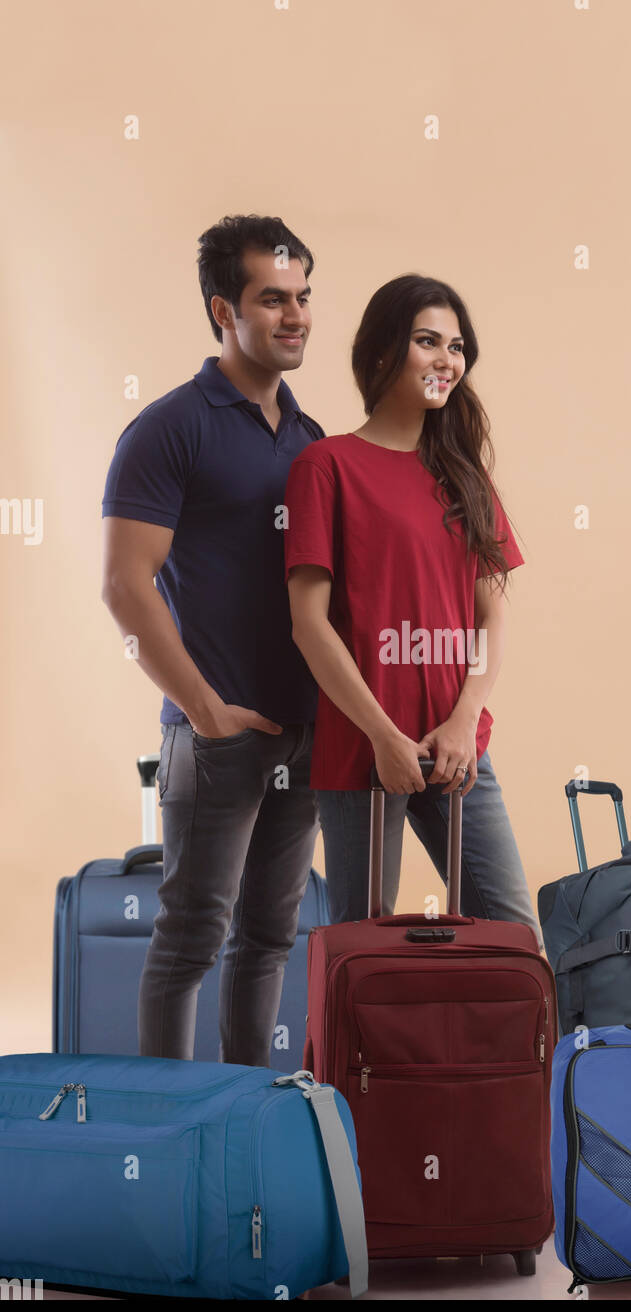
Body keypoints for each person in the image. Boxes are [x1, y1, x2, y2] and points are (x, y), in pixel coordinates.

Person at [101, 214, 324, 1066]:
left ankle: (247, 1120)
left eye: (303, 296)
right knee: (191, 938)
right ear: (220, 311)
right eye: (273, 299)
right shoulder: (169, 428)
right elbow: (126, 583)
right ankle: (171, 1131)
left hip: (303, 735)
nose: (295, 315)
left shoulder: (311, 440)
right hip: (214, 734)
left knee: (270, 938)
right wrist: (206, 712)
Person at [284, 274, 540, 942]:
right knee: (363, 938)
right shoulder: (326, 466)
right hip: (363, 749)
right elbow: (309, 625)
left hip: (457, 748)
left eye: (456, 347)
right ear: (381, 352)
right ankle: (354, 1056)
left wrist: (463, 721)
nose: (447, 360)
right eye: (428, 341)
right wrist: (382, 735)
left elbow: (493, 618)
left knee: (510, 930)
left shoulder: (465, 476)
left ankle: (500, 1053)